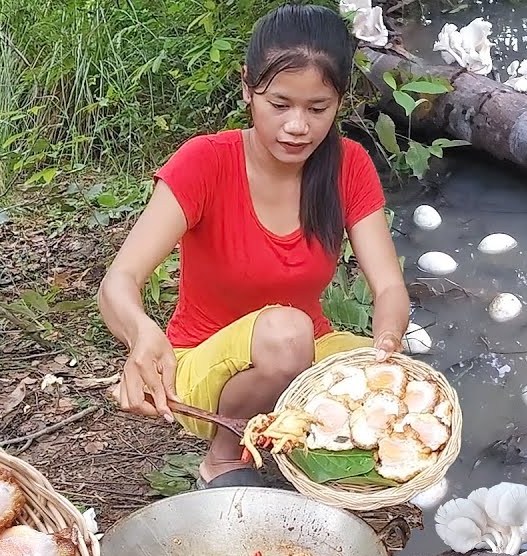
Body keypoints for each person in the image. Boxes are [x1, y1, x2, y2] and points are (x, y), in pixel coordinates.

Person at [98, 2, 409, 487]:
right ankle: (224, 459)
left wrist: (387, 344)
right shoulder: (205, 162)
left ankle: (303, 455)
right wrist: (142, 334)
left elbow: (388, 287)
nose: (297, 126)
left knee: (392, 383)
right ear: (247, 87)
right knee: (287, 333)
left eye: (317, 109)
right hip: (205, 366)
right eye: (279, 105)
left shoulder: (348, 165)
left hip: (306, 353)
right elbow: (119, 281)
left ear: (340, 101)